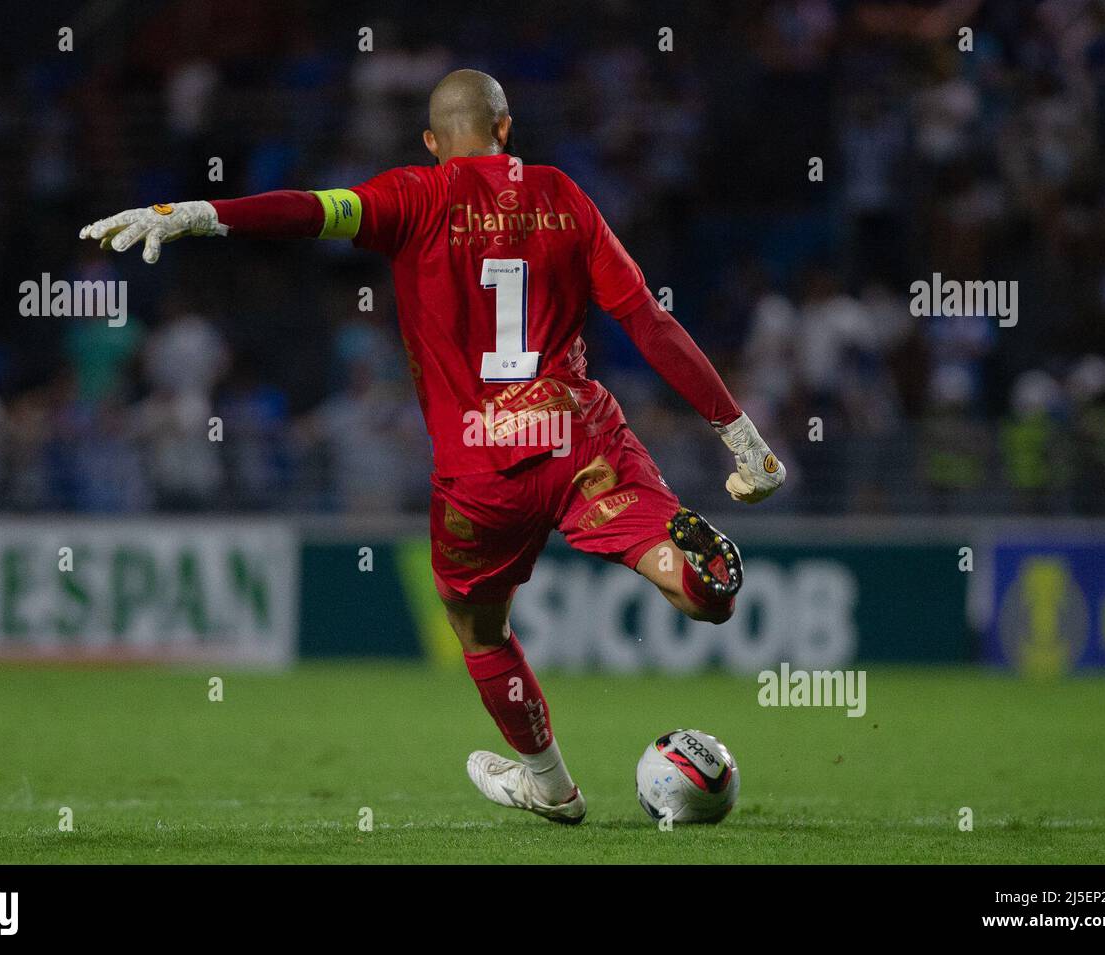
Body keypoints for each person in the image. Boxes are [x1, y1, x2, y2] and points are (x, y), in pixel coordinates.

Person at [80, 69, 786, 824]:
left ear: (430, 141)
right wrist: (741, 436)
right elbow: (649, 323)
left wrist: (200, 214)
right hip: (581, 441)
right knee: (693, 590)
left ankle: (550, 782)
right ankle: (699, 575)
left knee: (476, 626)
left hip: (482, 469)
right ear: (505, 128)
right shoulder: (562, 196)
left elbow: (307, 211)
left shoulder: (410, 196)